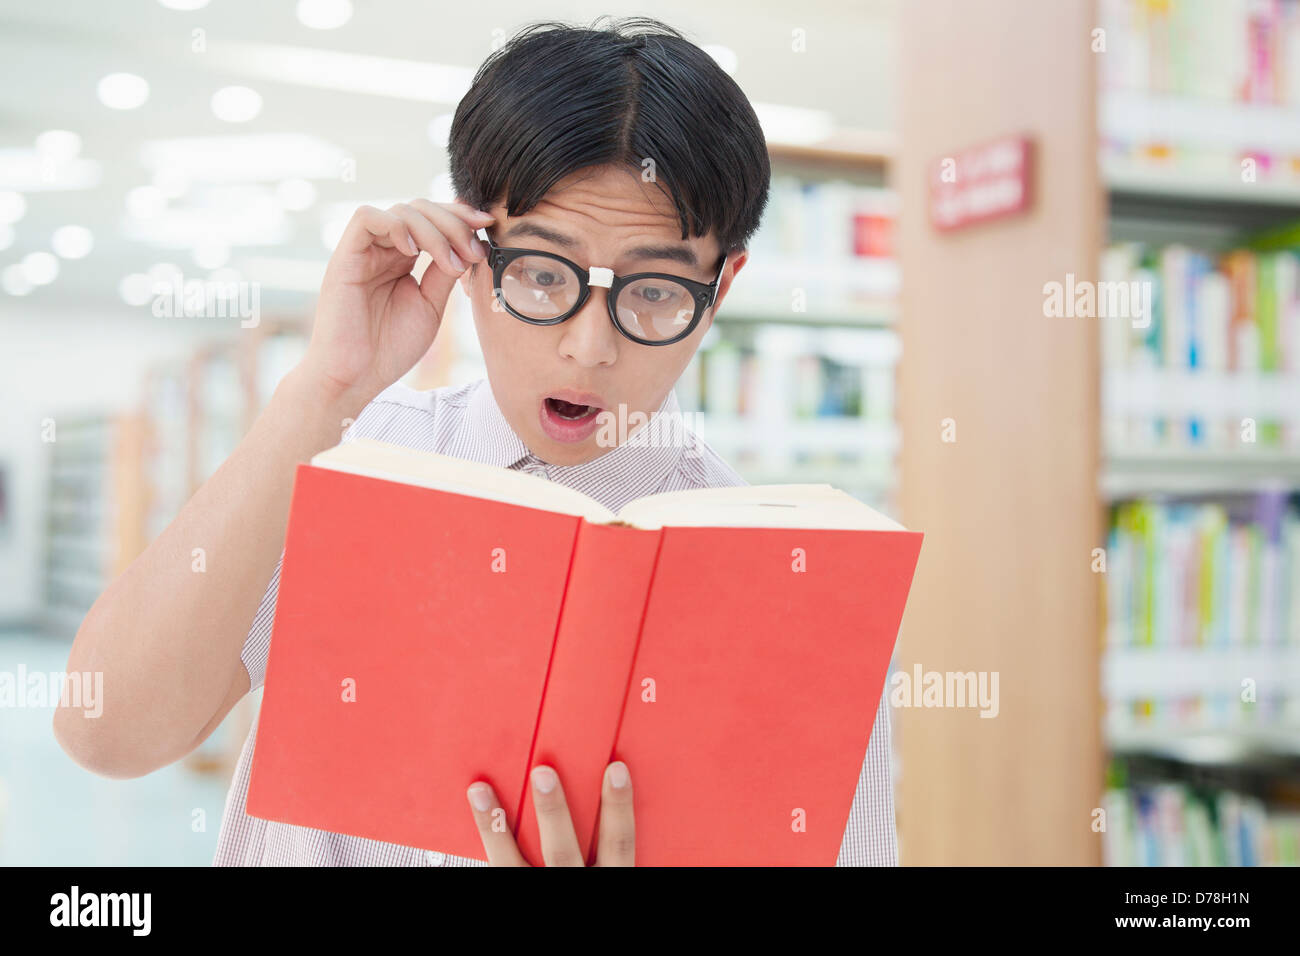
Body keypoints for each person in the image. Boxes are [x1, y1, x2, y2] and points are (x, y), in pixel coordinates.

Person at [54, 15, 896, 867]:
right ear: (467, 249)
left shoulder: (788, 586)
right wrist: (323, 392)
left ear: (719, 291)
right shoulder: (358, 460)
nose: (589, 346)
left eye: (653, 291)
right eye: (540, 273)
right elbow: (107, 732)